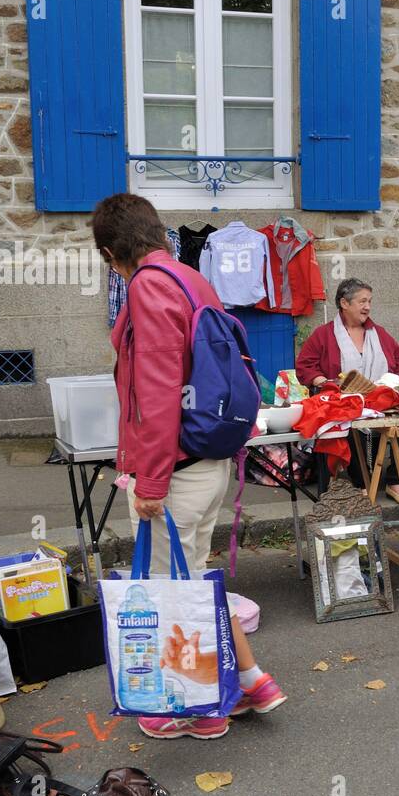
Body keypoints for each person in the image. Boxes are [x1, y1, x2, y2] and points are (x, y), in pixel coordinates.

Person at [94, 193, 286, 740]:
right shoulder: (188, 278)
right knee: (192, 583)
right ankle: (243, 683)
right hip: (208, 458)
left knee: (165, 592)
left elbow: (156, 394)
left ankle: (198, 708)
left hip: (174, 468)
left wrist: (149, 480)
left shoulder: (148, 287)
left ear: (112, 253)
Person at [295, 278, 399, 503]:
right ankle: (361, 483)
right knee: (349, 424)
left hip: (380, 400)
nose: (367, 307)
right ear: (344, 303)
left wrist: (393, 382)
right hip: (346, 402)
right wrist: (324, 381)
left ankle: (394, 480)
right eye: (362, 301)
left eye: (369, 301)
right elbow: (304, 366)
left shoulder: (379, 333)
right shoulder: (324, 334)